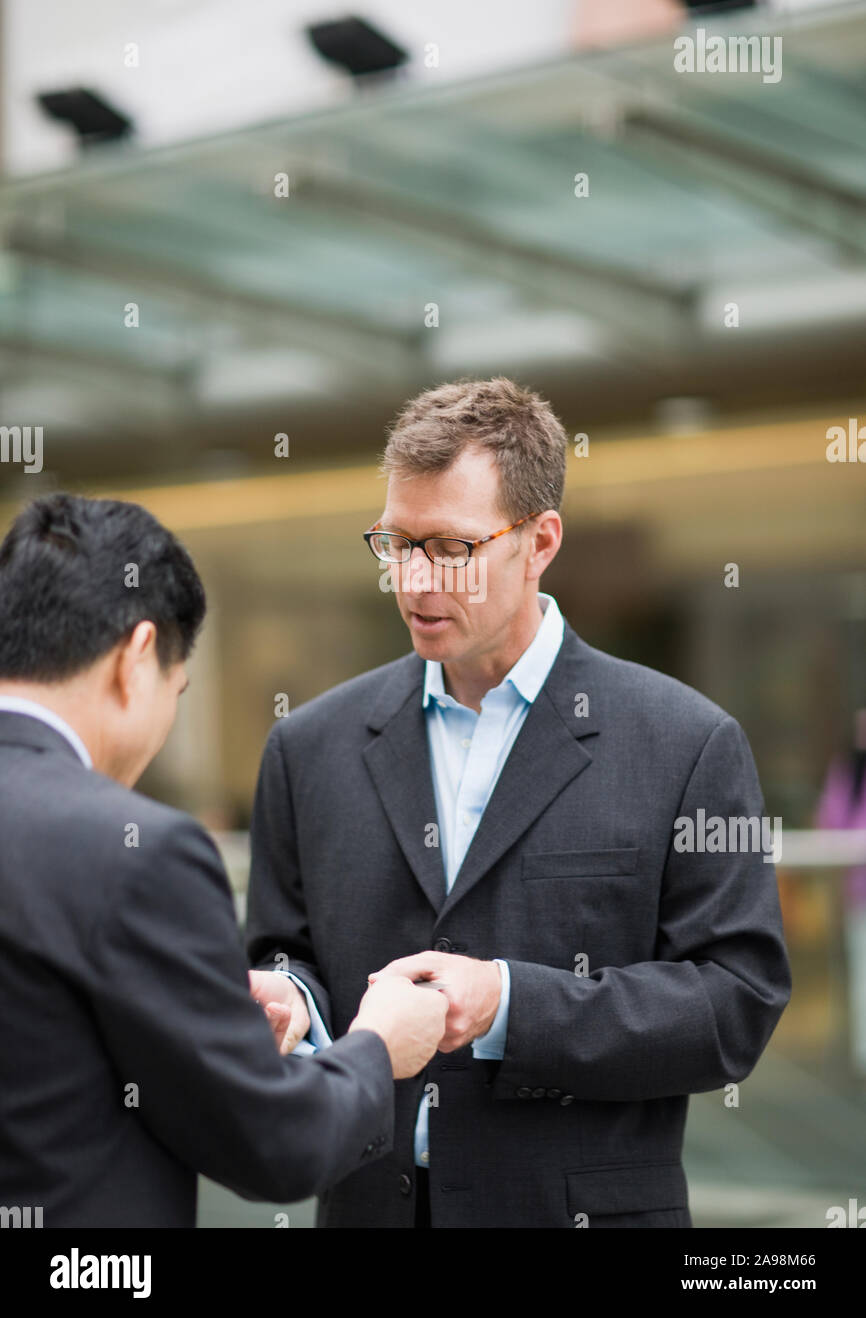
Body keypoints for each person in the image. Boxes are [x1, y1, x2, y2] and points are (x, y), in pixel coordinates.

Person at [247, 376, 791, 1228]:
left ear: (541, 541)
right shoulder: (308, 748)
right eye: (396, 542)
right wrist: (292, 1003)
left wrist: (510, 1005)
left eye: (452, 548)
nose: (416, 581)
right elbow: (288, 951)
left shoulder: (687, 743)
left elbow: (735, 1008)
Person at [0, 493, 446, 1228]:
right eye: (177, 693)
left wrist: (195, 1010)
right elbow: (273, 1144)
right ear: (137, 657)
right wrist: (377, 1048)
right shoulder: (140, 853)